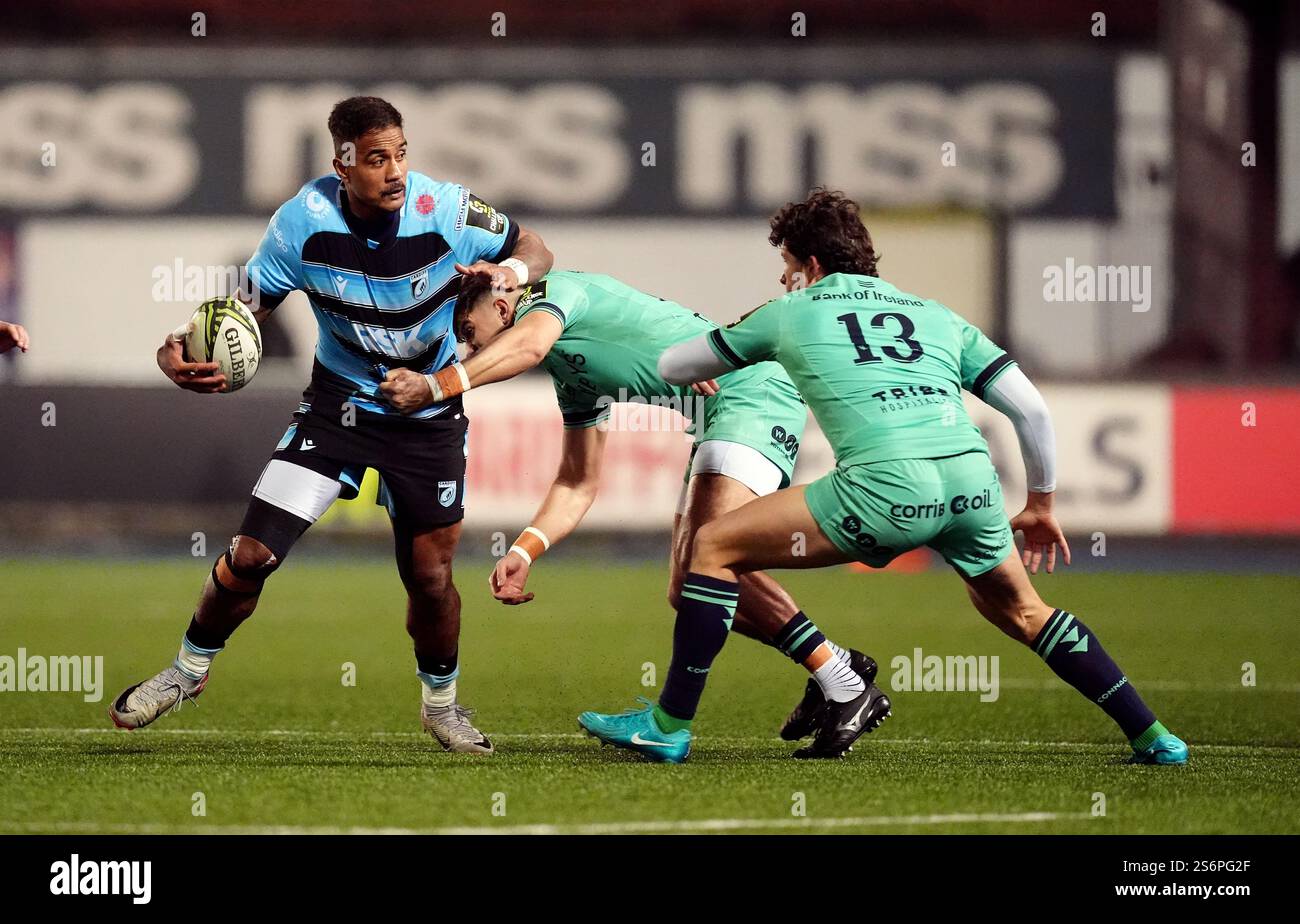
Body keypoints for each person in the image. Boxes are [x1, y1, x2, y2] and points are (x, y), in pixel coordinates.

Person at [578, 188, 1188, 765]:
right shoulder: (935, 314)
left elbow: (674, 363)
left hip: (887, 488)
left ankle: (667, 728)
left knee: (710, 546)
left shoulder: (791, 310)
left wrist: (754, 326)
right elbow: (1028, 406)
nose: (782, 278)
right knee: (1025, 612)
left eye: (786, 265)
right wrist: (1041, 503)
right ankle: (1155, 736)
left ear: (810, 264)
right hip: (972, 486)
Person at [109, 96, 553, 755]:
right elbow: (242, 310)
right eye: (377, 159)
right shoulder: (301, 224)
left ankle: (442, 707)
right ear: (342, 166)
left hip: (427, 415)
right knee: (250, 555)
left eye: (401, 154)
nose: (396, 171)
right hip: (336, 411)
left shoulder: (448, 211)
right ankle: (187, 671)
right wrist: (175, 347)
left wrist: (508, 273)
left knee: (431, 580)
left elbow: (536, 249)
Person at [378, 269, 887, 758]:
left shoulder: (560, 297)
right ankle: (837, 670)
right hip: (723, 414)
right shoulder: (569, 374)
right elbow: (578, 481)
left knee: (712, 559)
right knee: (687, 586)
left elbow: (526, 346)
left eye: (471, 332)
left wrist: (436, 386)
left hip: (751, 394)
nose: (473, 349)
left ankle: (834, 682)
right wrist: (525, 549)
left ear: (504, 305)